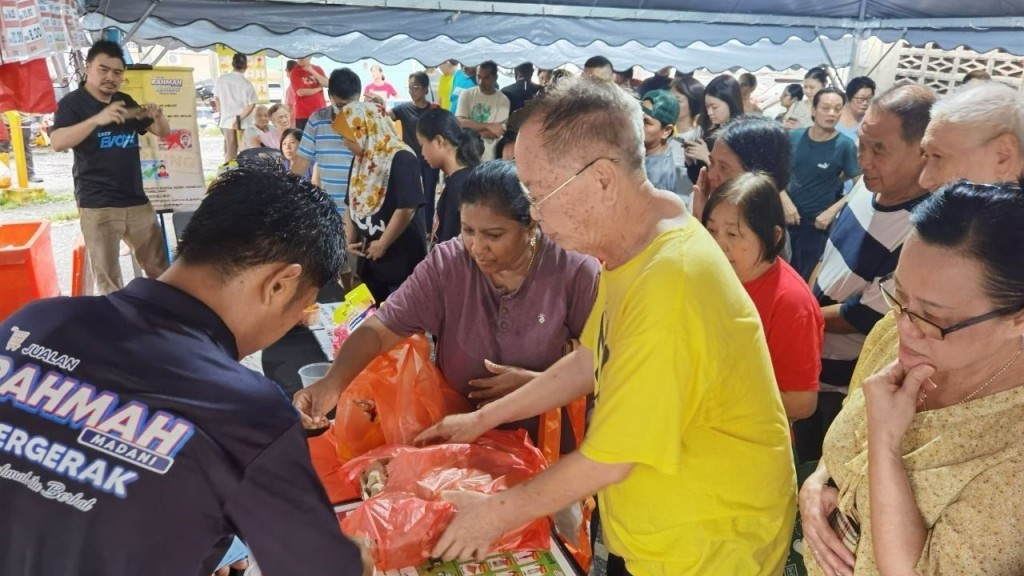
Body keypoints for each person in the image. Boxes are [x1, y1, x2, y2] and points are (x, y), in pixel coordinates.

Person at [414, 76, 796, 575]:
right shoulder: (636, 246)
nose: (533, 211)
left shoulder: (671, 280)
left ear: (601, 181)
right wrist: (480, 420)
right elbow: (591, 359)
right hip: (657, 531)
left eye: (540, 191)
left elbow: (611, 457)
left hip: (707, 548)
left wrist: (493, 514)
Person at [0, 166, 367, 576]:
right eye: (302, 308)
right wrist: (358, 559)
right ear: (280, 284)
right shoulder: (248, 412)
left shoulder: (33, 323)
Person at [295, 160, 599, 451]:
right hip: (462, 444)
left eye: (494, 235)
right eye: (468, 231)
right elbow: (379, 329)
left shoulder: (574, 271)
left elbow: (611, 369)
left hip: (551, 448)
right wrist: (332, 383)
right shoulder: (448, 265)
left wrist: (539, 384)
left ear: (532, 224)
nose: (478, 248)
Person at [800, 181, 1024, 576]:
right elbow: (843, 448)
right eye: (899, 295)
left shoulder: (1012, 450)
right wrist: (816, 484)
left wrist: (885, 442)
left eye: (933, 318)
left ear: (1017, 319)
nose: (905, 328)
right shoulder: (895, 328)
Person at [844, 78, 1024, 424]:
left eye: (938, 157)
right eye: (902, 300)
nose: (925, 179)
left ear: (1003, 155)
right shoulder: (905, 315)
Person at [794, 84, 935, 462]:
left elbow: (863, 315)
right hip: (812, 351)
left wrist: (797, 320)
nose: (864, 160)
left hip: (842, 378)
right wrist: (803, 308)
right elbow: (828, 255)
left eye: (879, 150)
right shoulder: (866, 186)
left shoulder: (919, 230)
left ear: (922, 151)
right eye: (861, 144)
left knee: (823, 459)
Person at [50, 40, 170, 296]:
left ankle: (164, 322)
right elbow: (57, 142)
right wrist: (97, 119)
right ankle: (116, 330)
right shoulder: (73, 104)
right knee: (109, 281)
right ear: (88, 67)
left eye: (116, 72)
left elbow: (162, 132)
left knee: (160, 271)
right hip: (98, 204)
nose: (110, 77)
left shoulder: (124, 100)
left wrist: (158, 116)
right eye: (103, 70)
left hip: (136, 200)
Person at [703, 172, 822, 422]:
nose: (718, 244)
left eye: (733, 235)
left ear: (774, 236)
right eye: (711, 229)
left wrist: (715, 394)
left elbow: (801, 403)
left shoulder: (791, 302)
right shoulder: (712, 273)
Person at [338, 101, 427, 303]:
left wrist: (383, 243)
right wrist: (348, 241)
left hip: (400, 257)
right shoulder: (361, 158)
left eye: (346, 136)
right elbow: (351, 202)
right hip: (370, 258)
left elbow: (407, 207)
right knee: (371, 315)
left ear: (364, 130)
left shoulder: (401, 157)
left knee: (402, 320)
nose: (344, 142)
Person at [784, 87, 861, 280]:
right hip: (784, 219)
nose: (832, 113)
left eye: (837, 108)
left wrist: (831, 212)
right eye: (826, 108)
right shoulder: (794, 137)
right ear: (813, 110)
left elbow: (861, 186)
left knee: (804, 278)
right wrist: (784, 201)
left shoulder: (845, 145)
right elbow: (773, 173)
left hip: (816, 225)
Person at [691, 114, 792, 227]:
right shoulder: (714, 209)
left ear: (756, 173)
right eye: (712, 162)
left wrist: (700, 220)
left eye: (724, 168)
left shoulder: (760, 231)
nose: (711, 175)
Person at [290, 69, 357, 219]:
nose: (346, 111)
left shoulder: (368, 121)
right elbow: (302, 161)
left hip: (360, 211)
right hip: (330, 211)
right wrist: (284, 190)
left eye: (351, 106)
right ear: (330, 96)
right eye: (340, 106)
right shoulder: (317, 120)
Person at [417, 108, 484, 244]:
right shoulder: (461, 178)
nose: (422, 153)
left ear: (439, 141)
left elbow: (450, 243)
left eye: (422, 145)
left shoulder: (460, 186)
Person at [390, 71, 441, 231]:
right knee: (410, 195)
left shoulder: (434, 110)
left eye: (416, 88)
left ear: (426, 89)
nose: (412, 92)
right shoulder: (403, 109)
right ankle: (410, 226)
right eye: (410, 88)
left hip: (430, 159)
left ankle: (426, 229)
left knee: (429, 195)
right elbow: (384, 118)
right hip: (410, 161)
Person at [684, 74, 743, 186]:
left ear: (731, 103)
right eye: (707, 107)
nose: (710, 112)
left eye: (714, 107)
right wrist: (691, 162)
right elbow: (699, 182)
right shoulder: (710, 135)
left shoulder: (742, 137)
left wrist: (707, 158)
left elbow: (737, 183)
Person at [456, 60, 511, 161]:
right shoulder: (466, 95)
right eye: (478, 77)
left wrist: (468, 130)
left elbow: (495, 133)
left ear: (495, 78)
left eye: (486, 78)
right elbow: (459, 122)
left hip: (488, 157)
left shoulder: (503, 100)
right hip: (465, 154)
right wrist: (488, 126)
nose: (481, 82)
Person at [640, 89, 686, 201]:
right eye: (638, 118)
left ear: (666, 131)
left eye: (646, 122)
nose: (638, 125)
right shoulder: (641, 153)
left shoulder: (660, 176)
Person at [213, 53, 257, 164]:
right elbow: (251, 105)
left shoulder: (221, 80)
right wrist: (238, 118)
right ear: (246, 66)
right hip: (243, 123)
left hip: (226, 121)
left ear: (232, 64)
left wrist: (223, 114)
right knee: (244, 151)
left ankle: (229, 174)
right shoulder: (247, 84)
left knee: (229, 152)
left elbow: (216, 99)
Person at [290, 56, 328, 131]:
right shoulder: (295, 72)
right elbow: (301, 92)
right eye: (299, 56)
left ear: (310, 57)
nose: (300, 58)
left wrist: (312, 71)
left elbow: (327, 83)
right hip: (304, 115)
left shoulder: (318, 69)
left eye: (303, 57)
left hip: (321, 113)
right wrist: (319, 88)